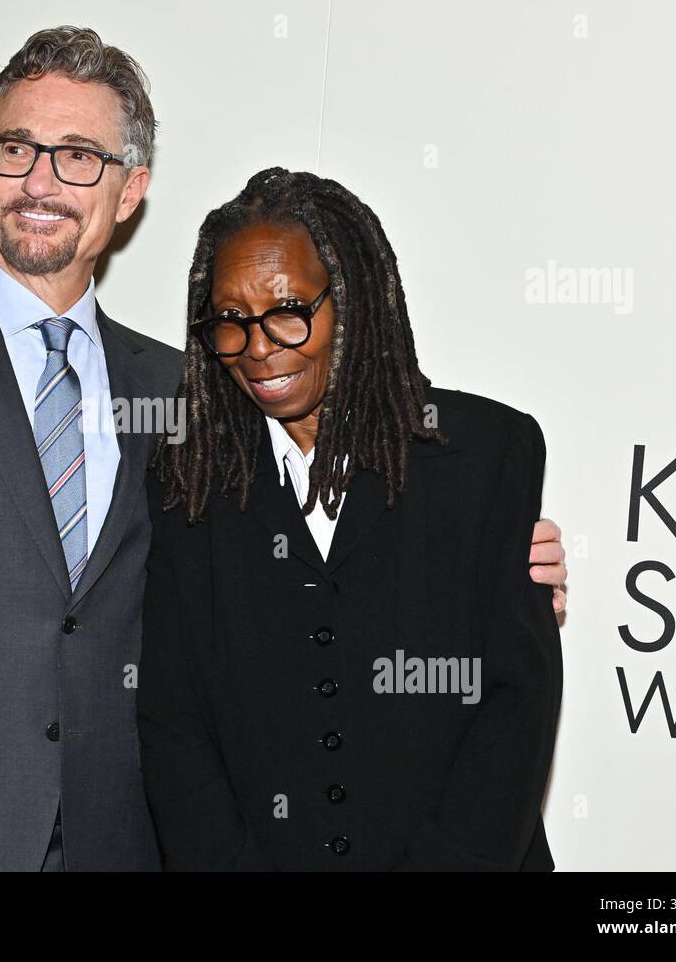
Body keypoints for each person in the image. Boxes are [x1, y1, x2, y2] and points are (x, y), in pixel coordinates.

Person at [0, 27, 568, 872]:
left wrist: (502, 559)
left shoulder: (190, 397)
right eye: (15, 148)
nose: (39, 181)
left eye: (77, 156)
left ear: (130, 189)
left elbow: (366, 530)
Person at [137, 167, 564, 870]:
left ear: (353, 300)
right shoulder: (189, 484)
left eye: (288, 309)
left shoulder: (488, 454)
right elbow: (173, 725)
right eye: (230, 321)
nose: (260, 346)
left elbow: (515, 712)